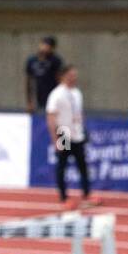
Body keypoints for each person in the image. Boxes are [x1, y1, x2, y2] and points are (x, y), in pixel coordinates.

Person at [46, 65, 94, 210]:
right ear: (63, 76)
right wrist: (55, 138)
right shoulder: (57, 94)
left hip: (77, 133)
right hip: (64, 132)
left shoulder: (77, 93)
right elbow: (51, 116)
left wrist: (83, 128)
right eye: (71, 75)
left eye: (75, 75)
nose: (74, 77)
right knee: (63, 166)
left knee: (83, 165)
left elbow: (79, 113)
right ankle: (63, 197)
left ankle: (87, 194)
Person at [25, 36, 63, 113]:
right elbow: (28, 81)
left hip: (52, 94)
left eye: (48, 46)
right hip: (39, 95)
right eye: (44, 45)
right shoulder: (32, 60)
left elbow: (59, 79)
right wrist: (29, 102)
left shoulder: (55, 60)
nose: (45, 48)